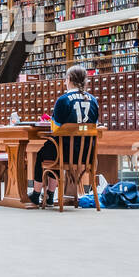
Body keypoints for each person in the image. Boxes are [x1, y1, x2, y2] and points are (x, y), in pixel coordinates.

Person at [30, 65, 100, 206]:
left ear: (68, 79)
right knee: (50, 150)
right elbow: (95, 125)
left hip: (65, 152)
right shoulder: (93, 100)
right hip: (86, 153)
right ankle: (49, 195)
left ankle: (37, 194)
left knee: (43, 154)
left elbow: (55, 129)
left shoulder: (63, 100)